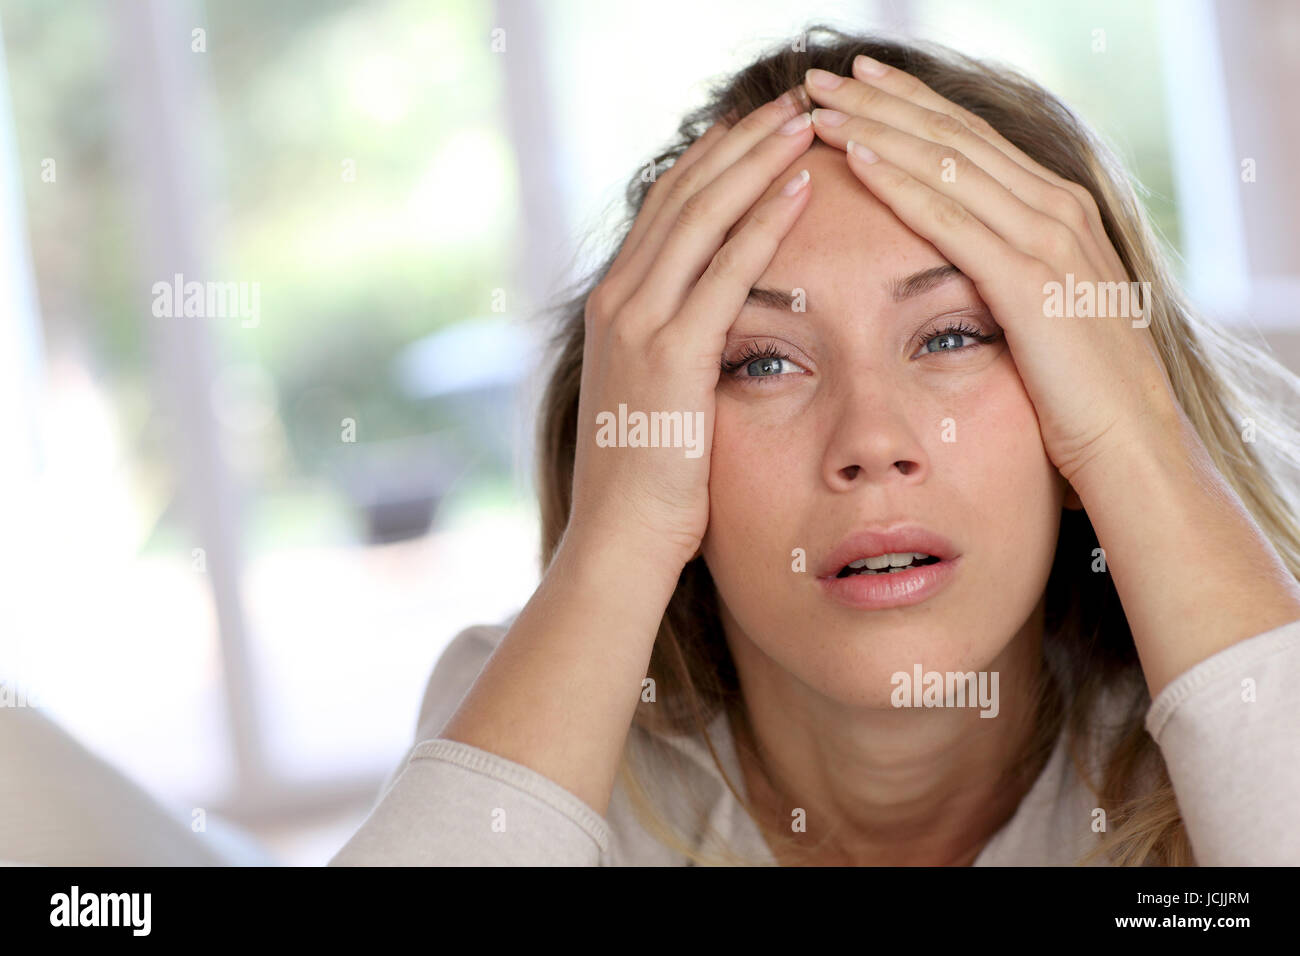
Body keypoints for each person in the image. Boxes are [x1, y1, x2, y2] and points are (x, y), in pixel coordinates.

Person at [330, 26, 1300, 866]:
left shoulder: (1221, 713)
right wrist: (617, 537)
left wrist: (1139, 449)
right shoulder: (533, 721)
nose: (870, 441)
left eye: (953, 334)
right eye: (760, 361)